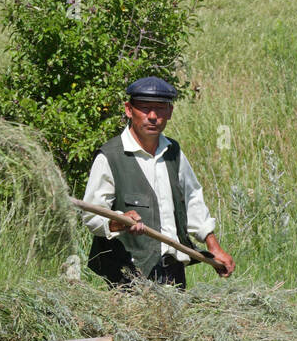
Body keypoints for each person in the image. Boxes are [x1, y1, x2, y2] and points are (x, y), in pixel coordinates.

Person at [82, 76, 235, 288]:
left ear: (170, 112)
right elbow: (91, 216)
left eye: (160, 109)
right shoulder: (110, 156)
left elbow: (193, 201)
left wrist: (213, 246)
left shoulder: (174, 153)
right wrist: (118, 222)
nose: (153, 116)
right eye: (145, 108)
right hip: (128, 277)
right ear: (129, 109)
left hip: (173, 274)